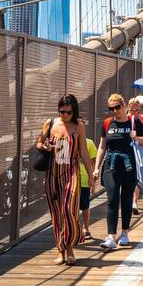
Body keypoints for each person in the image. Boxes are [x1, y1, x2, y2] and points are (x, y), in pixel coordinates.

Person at [37, 94, 91, 266]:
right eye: (61, 112)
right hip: (53, 172)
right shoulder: (50, 123)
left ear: (73, 111)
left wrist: (90, 176)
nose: (64, 115)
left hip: (71, 172)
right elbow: (38, 143)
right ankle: (61, 250)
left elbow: (83, 152)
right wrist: (43, 146)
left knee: (69, 209)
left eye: (68, 112)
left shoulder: (79, 126)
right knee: (56, 213)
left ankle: (70, 247)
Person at [95, 93, 143, 250]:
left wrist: (136, 137)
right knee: (112, 198)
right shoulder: (107, 123)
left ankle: (124, 233)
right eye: (111, 108)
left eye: (117, 107)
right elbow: (102, 146)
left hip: (129, 164)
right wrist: (96, 167)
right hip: (111, 164)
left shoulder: (134, 121)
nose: (114, 111)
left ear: (124, 106)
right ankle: (111, 236)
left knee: (126, 198)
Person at [78, 132, 98, 244]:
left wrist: (94, 175)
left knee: (84, 205)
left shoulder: (88, 142)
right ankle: (77, 229)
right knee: (72, 207)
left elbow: (94, 161)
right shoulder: (69, 141)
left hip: (84, 179)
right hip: (70, 179)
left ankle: (86, 228)